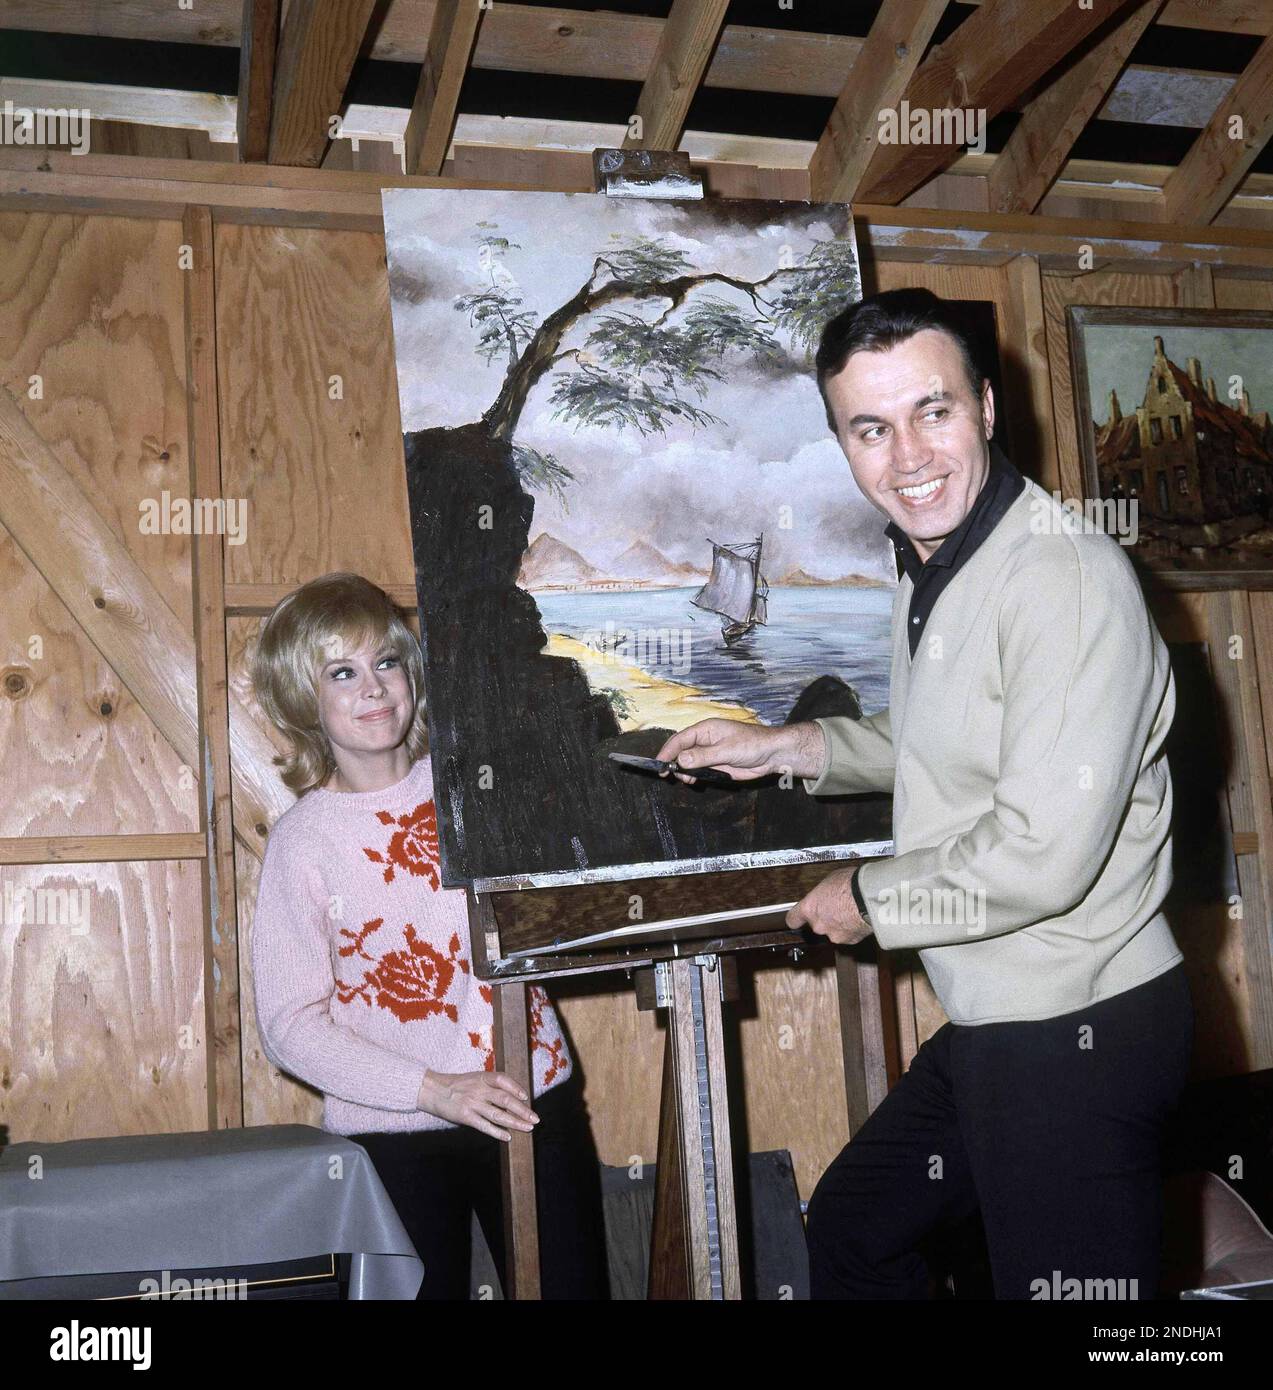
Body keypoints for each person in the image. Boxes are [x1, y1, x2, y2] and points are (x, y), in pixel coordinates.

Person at [657, 287, 1193, 1300]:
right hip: (1002, 1008)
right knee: (858, 1229)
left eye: (931, 412)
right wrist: (787, 748)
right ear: (843, 444)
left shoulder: (1061, 581)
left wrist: (870, 896)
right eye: (871, 428)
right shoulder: (936, 557)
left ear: (986, 407)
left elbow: (1040, 851)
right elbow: (942, 740)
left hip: (1079, 1023)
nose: (906, 458)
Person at [249, 572, 609, 1299]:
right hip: (392, 1127)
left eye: (386, 662)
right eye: (342, 673)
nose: (374, 688)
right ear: (302, 698)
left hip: (526, 1098)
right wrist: (430, 1090)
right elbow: (288, 1025)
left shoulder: (477, 788)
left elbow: (575, 894)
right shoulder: (303, 842)